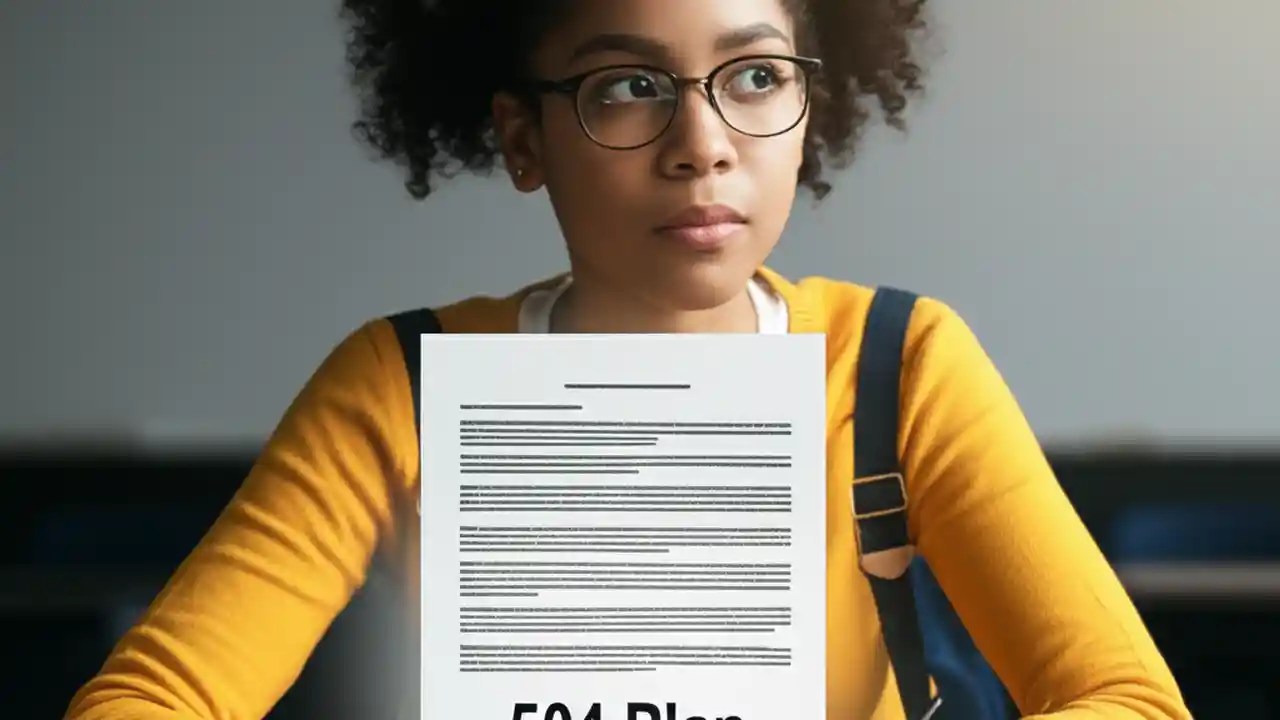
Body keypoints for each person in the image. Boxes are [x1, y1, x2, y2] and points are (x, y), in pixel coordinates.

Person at [65, 0, 1192, 718]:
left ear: (810, 102)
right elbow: (153, 699)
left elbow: (1120, 698)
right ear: (521, 138)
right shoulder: (402, 382)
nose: (700, 146)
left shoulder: (899, 363)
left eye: (753, 77)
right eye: (628, 87)